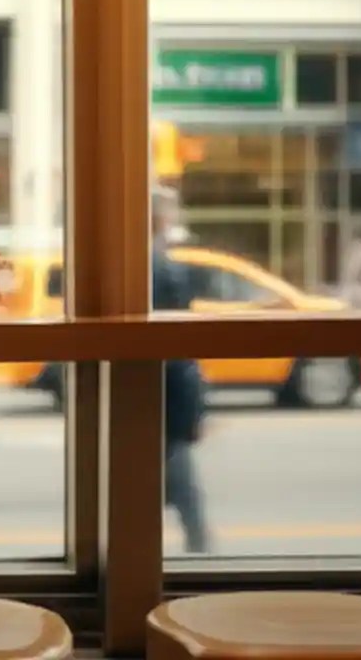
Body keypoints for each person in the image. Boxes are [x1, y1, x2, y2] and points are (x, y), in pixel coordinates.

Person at [150, 184, 210, 554]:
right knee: (186, 497)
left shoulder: (136, 262)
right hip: (164, 404)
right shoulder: (163, 267)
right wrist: (192, 413)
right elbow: (178, 348)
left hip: (144, 404)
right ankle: (203, 565)